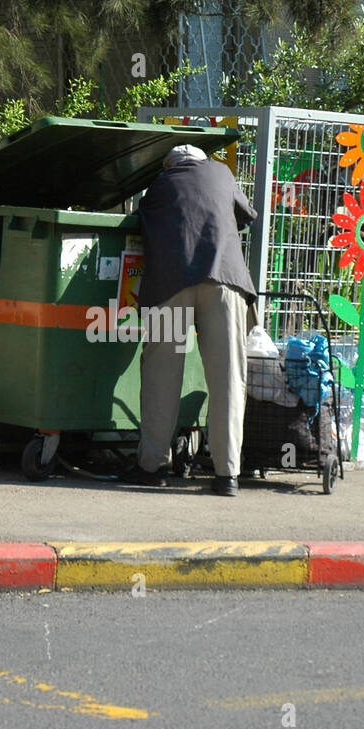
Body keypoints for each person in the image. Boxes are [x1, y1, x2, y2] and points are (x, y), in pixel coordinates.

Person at [120, 144, 258, 496]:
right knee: (227, 377)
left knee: (161, 376)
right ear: (202, 161)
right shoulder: (222, 174)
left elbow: (142, 223)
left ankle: (152, 466)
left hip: (171, 284)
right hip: (224, 283)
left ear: (169, 166)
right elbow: (247, 215)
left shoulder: (159, 186)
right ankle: (227, 475)